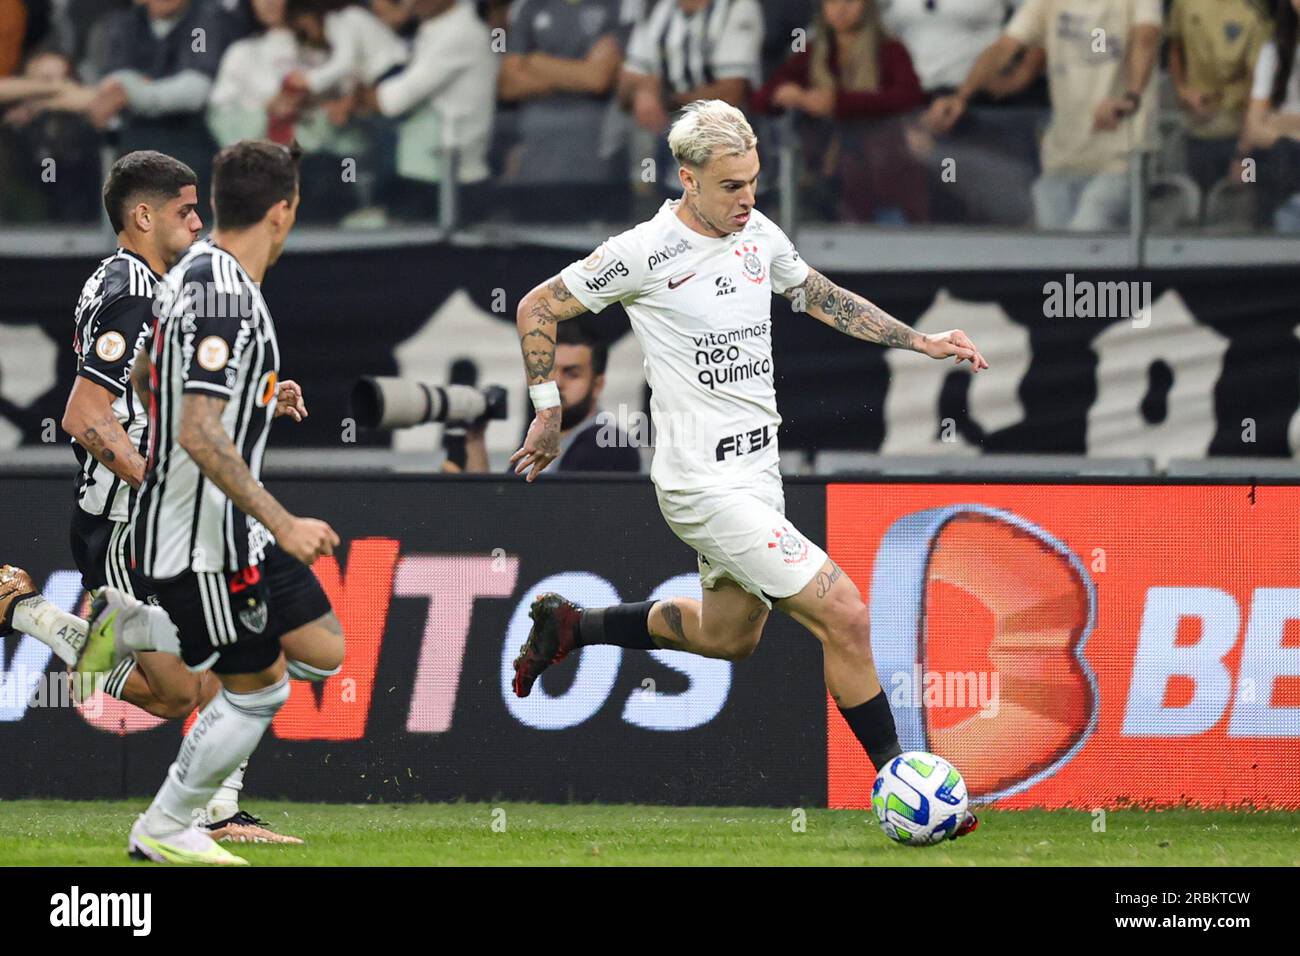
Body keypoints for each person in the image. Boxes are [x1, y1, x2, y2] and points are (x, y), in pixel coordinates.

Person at [508, 100, 987, 837]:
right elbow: (539, 305)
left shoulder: (756, 232)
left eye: (754, 181)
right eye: (731, 185)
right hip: (701, 485)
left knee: (730, 638)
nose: (748, 198)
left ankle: (576, 625)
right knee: (847, 615)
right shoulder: (643, 251)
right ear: (687, 178)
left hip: (759, 477)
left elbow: (819, 295)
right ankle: (906, 785)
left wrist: (919, 341)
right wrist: (547, 409)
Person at [0, 149, 310, 844]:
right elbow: (84, 414)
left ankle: (33, 615)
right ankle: (31, 615)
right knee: (205, 671)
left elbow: (154, 393)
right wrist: (157, 478)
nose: (200, 222)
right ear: (143, 215)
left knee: (209, 668)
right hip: (127, 522)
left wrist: (260, 392)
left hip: (142, 518)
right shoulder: (135, 290)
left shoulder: (146, 284)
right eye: (185, 210)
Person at [126, 139, 342, 865]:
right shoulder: (223, 291)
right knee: (257, 692)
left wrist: (254, 399)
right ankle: (170, 824)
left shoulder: (202, 274)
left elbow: (155, 378)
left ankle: (134, 627)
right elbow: (194, 428)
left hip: (225, 533)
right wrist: (284, 522)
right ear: (285, 211)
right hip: (201, 539)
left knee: (322, 650)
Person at [926, 0, 1161, 231]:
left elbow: (1146, 38)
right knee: (1053, 255)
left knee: (1085, 242)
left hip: (1123, 159)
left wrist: (1131, 97)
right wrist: (961, 96)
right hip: (1061, 160)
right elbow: (1006, 46)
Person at [751, 0, 928, 223]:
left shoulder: (890, 50)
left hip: (882, 167)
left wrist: (838, 104)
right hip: (823, 172)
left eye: (850, 2)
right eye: (832, 2)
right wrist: (791, 96)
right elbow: (762, 99)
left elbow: (909, 96)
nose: (840, 10)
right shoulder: (813, 51)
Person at [447, 322, 641, 474]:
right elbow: (495, 511)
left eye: (571, 373)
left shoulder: (607, 444)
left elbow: (516, 516)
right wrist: (475, 440)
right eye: (547, 371)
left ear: (597, 385)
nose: (556, 382)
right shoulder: (543, 434)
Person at [1168, 0, 1269, 199]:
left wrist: (1244, 153)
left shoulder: (1256, 13)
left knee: (1245, 201)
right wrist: (1182, 89)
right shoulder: (1184, 4)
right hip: (1196, 131)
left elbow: (1260, 87)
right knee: (1195, 204)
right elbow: (1174, 47)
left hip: (1241, 135)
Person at [1239, 0, 1300, 231]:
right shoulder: (1273, 52)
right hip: (1285, 178)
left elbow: (1265, 124)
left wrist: (1278, 122)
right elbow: (1254, 129)